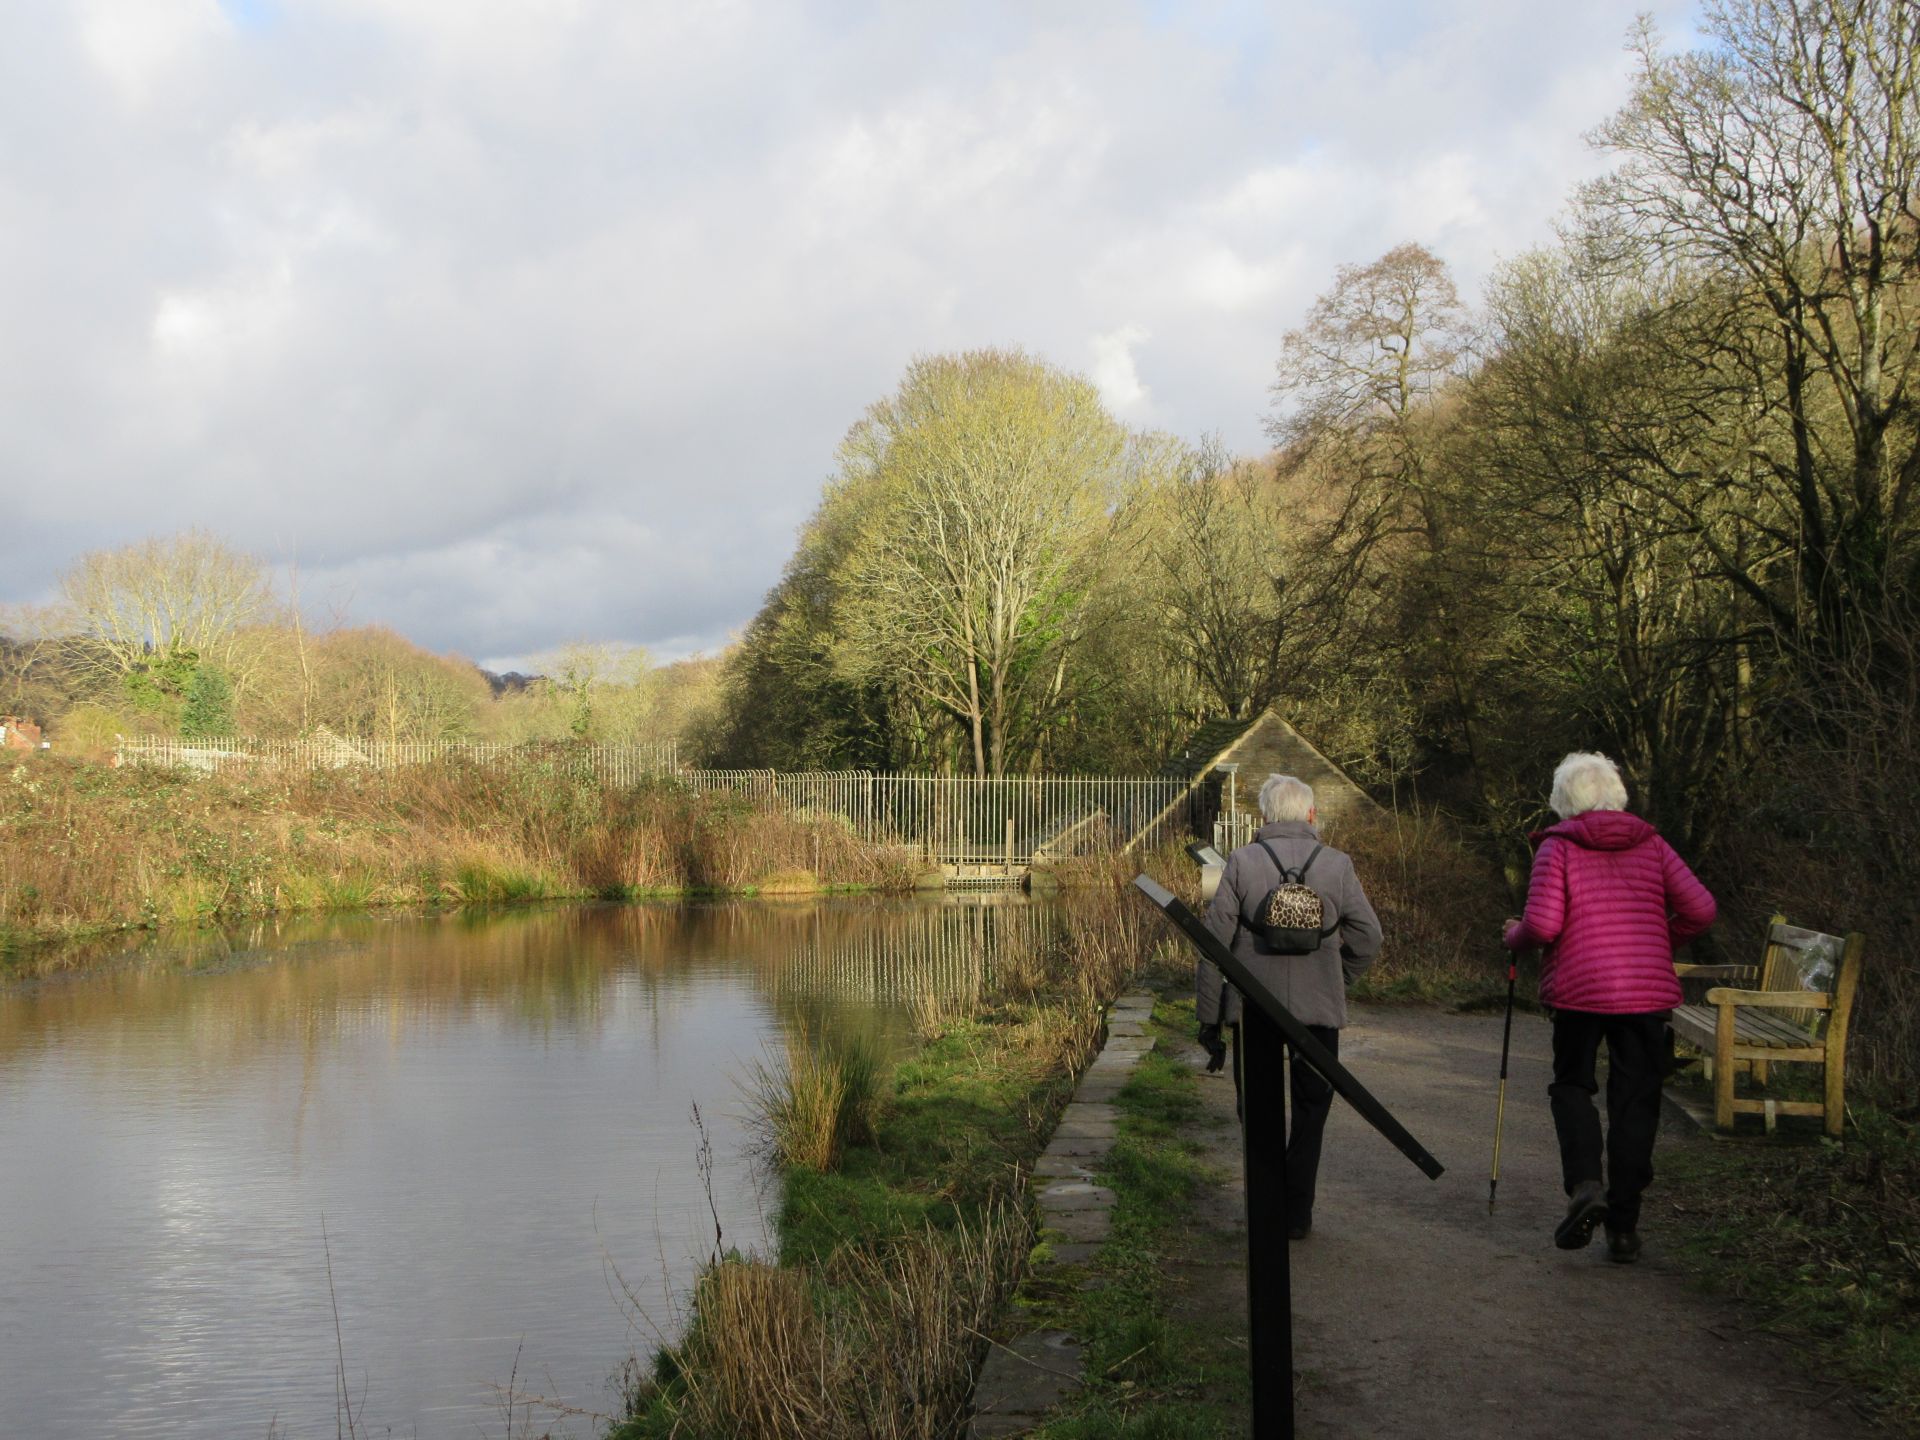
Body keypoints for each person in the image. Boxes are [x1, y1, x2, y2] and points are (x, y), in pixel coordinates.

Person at [1503, 751, 1717, 1264]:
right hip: (1644, 998)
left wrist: (1513, 936)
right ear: (1617, 795)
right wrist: (1659, 942)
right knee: (1636, 1101)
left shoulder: (1559, 848)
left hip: (1579, 992)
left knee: (1573, 1086)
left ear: (1562, 802)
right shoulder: (1653, 844)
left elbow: (1543, 926)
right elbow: (1702, 909)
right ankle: (1623, 1227)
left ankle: (1584, 1186)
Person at [1197, 772, 1381, 1239]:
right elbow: (1369, 937)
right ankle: (1296, 1214)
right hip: (1318, 1010)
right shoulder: (1337, 864)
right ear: (1312, 814)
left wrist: (1210, 1018)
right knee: (1311, 1110)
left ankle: (1264, 1205)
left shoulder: (1241, 861)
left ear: (1264, 816)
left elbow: (1212, 945)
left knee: (1257, 1111)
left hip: (1254, 1007)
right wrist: (1338, 980)